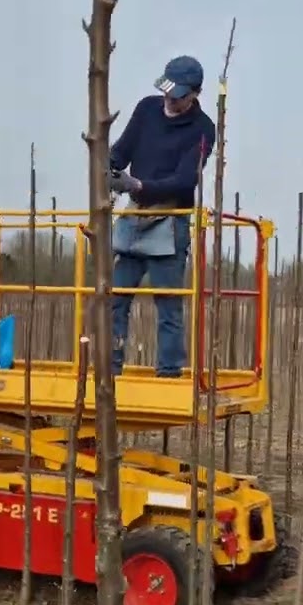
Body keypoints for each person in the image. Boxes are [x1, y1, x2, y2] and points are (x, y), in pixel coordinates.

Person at [107, 55, 216, 378]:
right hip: (134, 220)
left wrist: (138, 185)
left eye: (178, 95)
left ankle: (169, 373)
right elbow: (121, 150)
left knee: (168, 306)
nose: (170, 99)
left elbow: (185, 180)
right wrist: (108, 166)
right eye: (167, 91)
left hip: (170, 222)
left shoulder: (203, 130)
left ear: (194, 94)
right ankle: (110, 368)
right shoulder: (146, 109)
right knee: (115, 296)